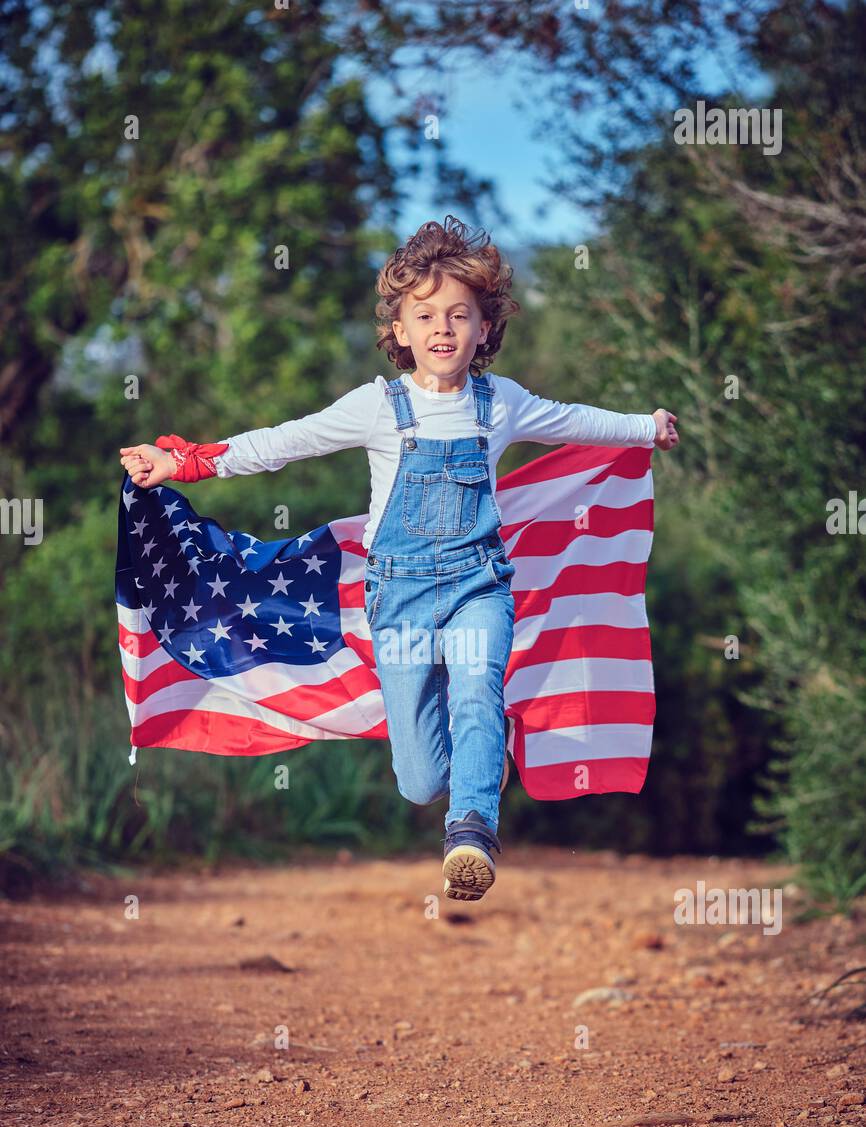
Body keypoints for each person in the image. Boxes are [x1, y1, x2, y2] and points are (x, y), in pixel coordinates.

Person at [120, 215, 678, 901]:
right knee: (418, 780)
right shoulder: (376, 407)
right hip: (399, 598)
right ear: (402, 331)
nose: (442, 328)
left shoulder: (501, 403)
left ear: (483, 329)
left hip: (480, 586)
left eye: (459, 315)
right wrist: (181, 461)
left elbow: (574, 419)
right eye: (426, 315)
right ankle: (476, 768)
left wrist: (644, 428)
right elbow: (281, 442)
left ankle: (471, 832)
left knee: (478, 688)